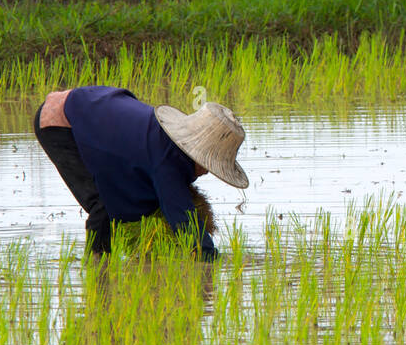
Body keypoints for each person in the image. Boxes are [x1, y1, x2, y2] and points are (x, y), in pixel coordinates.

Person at [33, 86, 249, 261]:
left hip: (97, 109)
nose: (206, 172)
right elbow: (182, 216)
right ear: (195, 153)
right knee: (103, 202)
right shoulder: (167, 161)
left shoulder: (166, 145)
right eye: (208, 164)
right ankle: (97, 265)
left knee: (114, 192)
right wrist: (209, 258)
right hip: (61, 122)